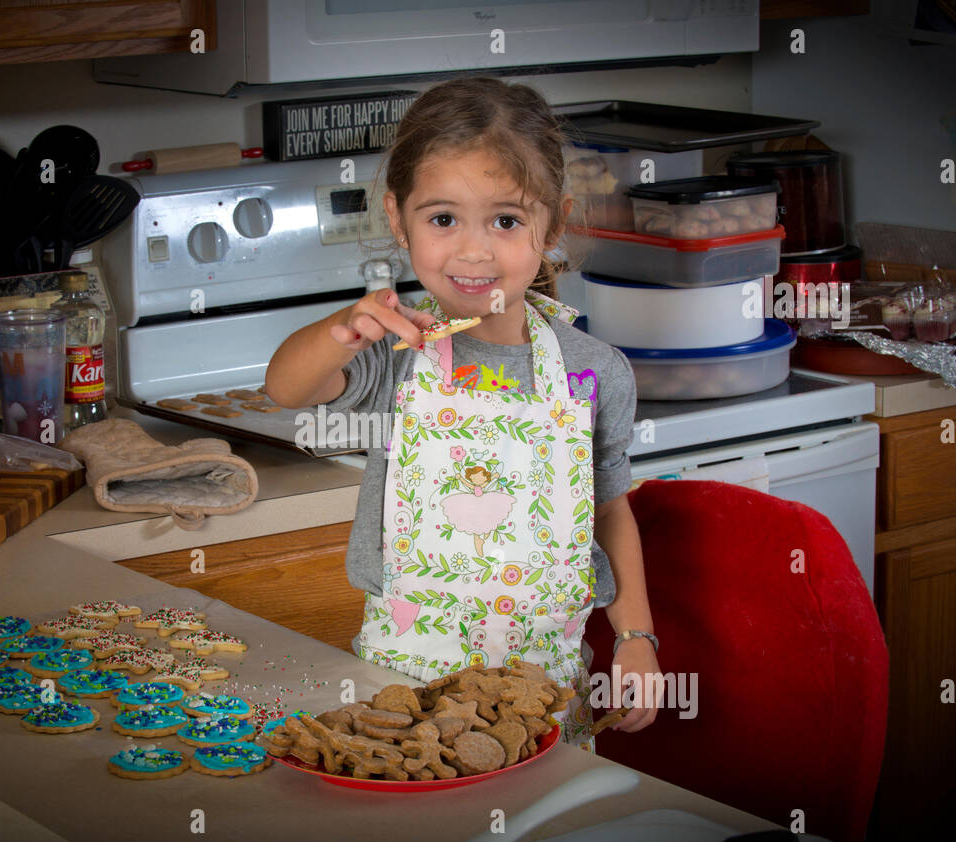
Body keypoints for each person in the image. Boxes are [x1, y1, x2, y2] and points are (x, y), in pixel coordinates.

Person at [265, 77, 661, 750]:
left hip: (546, 701)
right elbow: (286, 388)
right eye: (443, 219)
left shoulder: (593, 369)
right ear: (399, 218)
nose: (474, 252)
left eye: (506, 221)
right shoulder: (396, 353)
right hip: (397, 693)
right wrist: (343, 327)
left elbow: (608, 504)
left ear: (554, 225)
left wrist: (636, 635)